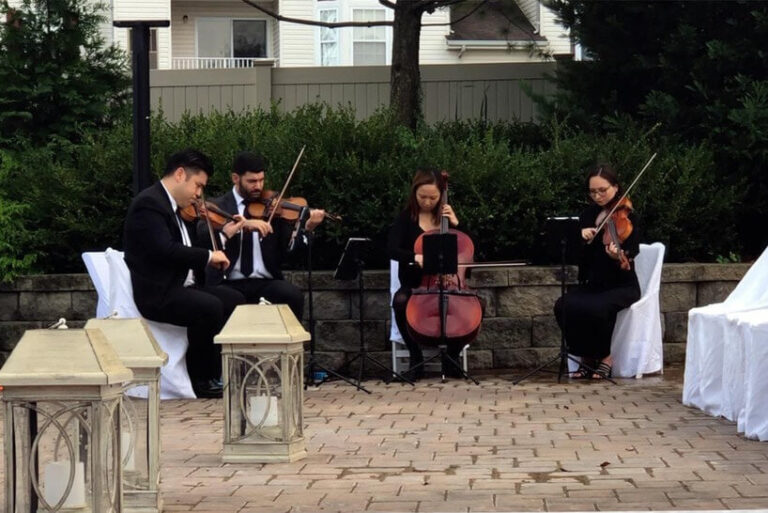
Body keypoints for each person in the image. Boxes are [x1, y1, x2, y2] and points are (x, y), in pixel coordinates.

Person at [123, 149, 246, 398]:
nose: (199, 194)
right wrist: (209, 257)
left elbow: (187, 249)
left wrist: (221, 237)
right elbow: (165, 250)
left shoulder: (174, 207)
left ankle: (218, 371)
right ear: (180, 174)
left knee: (234, 299)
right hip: (158, 292)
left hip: (181, 285)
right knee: (209, 306)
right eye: (198, 185)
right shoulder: (149, 204)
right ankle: (201, 378)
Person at [200, 151, 326, 319]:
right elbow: (202, 236)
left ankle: (286, 345)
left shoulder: (274, 207)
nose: (258, 186)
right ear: (235, 178)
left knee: (292, 295)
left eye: (261, 180)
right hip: (227, 281)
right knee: (231, 299)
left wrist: (308, 229)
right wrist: (242, 225)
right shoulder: (218, 206)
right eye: (252, 181)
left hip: (265, 282)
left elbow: (291, 253)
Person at [554, 164, 641, 379]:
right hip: (592, 284)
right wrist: (579, 238)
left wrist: (618, 254)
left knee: (597, 309)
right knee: (563, 306)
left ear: (616, 187)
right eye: (593, 191)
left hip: (621, 284)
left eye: (603, 190)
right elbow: (578, 257)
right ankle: (585, 355)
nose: (598, 196)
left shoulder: (627, 214)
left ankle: (605, 357)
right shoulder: (587, 215)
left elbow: (633, 248)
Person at [387, 168, 464, 380]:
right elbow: (392, 249)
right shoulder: (406, 218)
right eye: (423, 197)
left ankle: (452, 358)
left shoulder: (446, 217)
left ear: (441, 195)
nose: (428, 202)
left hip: (447, 283)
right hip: (415, 284)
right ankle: (416, 358)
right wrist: (415, 257)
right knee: (400, 301)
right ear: (415, 194)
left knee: (476, 306)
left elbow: (468, 248)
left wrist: (457, 224)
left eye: (433, 197)